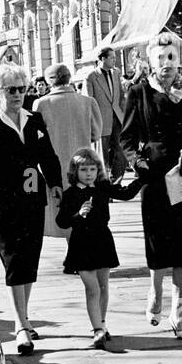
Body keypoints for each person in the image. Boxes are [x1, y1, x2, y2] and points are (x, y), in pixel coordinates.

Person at [120, 30, 182, 339]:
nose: (167, 63)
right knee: (158, 242)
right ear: (150, 62)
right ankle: (155, 291)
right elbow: (127, 137)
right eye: (160, 58)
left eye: (172, 57)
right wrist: (138, 162)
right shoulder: (139, 92)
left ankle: (179, 311)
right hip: (154, 175)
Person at [0, 64, 63, 355]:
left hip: (34, 199)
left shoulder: (35, 119)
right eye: (12, 90)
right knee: (14, 260)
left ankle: (25, 317)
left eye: (22, 88)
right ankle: (21, 326)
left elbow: (49, 156)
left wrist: (56, 184)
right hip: (1, 202)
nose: (19, 94)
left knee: (29, 259)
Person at [54, 146, 142, 350]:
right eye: (84, 170)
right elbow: (62, 222)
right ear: (75, 171)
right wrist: (78, 215)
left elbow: (126, 193)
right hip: (81, 243)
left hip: (102, 240)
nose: (88, 174)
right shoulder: (71, 194)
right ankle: (97, 330)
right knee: (92, 288)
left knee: (103, 286)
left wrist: (142, 178)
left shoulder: (102, 188)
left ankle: (102, 323)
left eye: (92, 169)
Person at [35, 63, 102, 235]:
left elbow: (37, 140)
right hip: (83, 167)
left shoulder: (41, 104)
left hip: (56, 169)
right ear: (69, 78)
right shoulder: (88, 102)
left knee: (64, 217)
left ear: (50, 81)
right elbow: (96, 133)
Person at [86, 47, 128, 180]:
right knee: (102, 155)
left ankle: (117, 181)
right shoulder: (91, 77)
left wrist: (124, 114)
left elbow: (121, 96)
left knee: (120, 152)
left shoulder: (116, 74)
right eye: (112, 58)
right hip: (101, 121)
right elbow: (89, 102)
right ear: (103, 59)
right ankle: (103, 185)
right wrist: (92, 123)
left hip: (117, 119)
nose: (115, 60)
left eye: (115, 57)